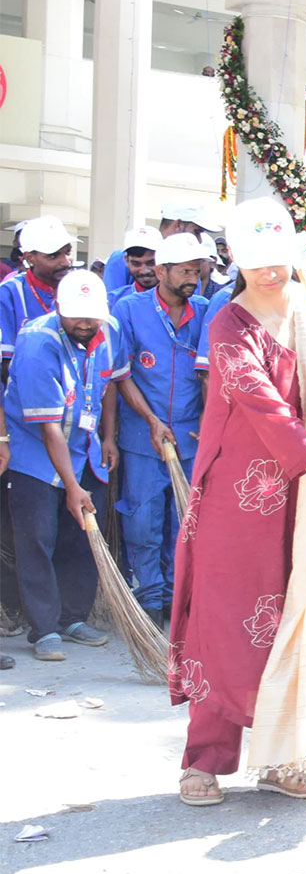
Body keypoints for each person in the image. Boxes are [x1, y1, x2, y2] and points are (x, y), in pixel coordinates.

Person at [170, 198, 306, 807]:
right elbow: (265, 410)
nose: (270, 272)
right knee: (227, 624)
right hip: (239, 501)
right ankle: (205, 760)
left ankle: (289, 757)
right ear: (234, 260)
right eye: (255, 262)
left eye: (279, 260)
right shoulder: (227, 326)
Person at [4, 270, 121, 661]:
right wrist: (72, 487)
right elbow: (49, 428)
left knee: (82, 536)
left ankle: (73, 618)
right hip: (35, 452)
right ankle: (44, 629)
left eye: (92, 316)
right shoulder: (39, 344)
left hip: (84, 447)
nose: (85, 324)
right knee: (38, 538)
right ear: (58, 309)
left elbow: (108, 386)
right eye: (76, 317)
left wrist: (108, 437)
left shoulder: (109, 331)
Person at [109, 232, 214, 626]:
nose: (193, 277)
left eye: (197, 270)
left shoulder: (204, 310)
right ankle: (150, 599)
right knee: (142, 519)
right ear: (161, 270)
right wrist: (152, 421)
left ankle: (177, 595)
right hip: (142, 436)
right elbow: (121, 373)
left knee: (183, 521)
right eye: (185, 270)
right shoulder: (129, 308)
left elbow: (210, 375)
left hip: (190, 437)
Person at [0, 216, 78, 361]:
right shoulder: (8, 293)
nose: (65, 262)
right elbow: (7, 363)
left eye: (68, 252)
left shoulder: (80, 288)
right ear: (29, 258)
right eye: (53, 255)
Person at [103, 203, 208, 294]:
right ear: (178, 225)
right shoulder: (122, 304)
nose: (199, 240)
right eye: (196, 232)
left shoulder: (191, 267)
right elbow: (111, 303)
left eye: (150, 262)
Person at [110, 226, 164, 306]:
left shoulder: (182, 299)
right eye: (136, 264)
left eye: (151, 262)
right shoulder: (113, 301)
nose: (144, 271)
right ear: (127, 260)